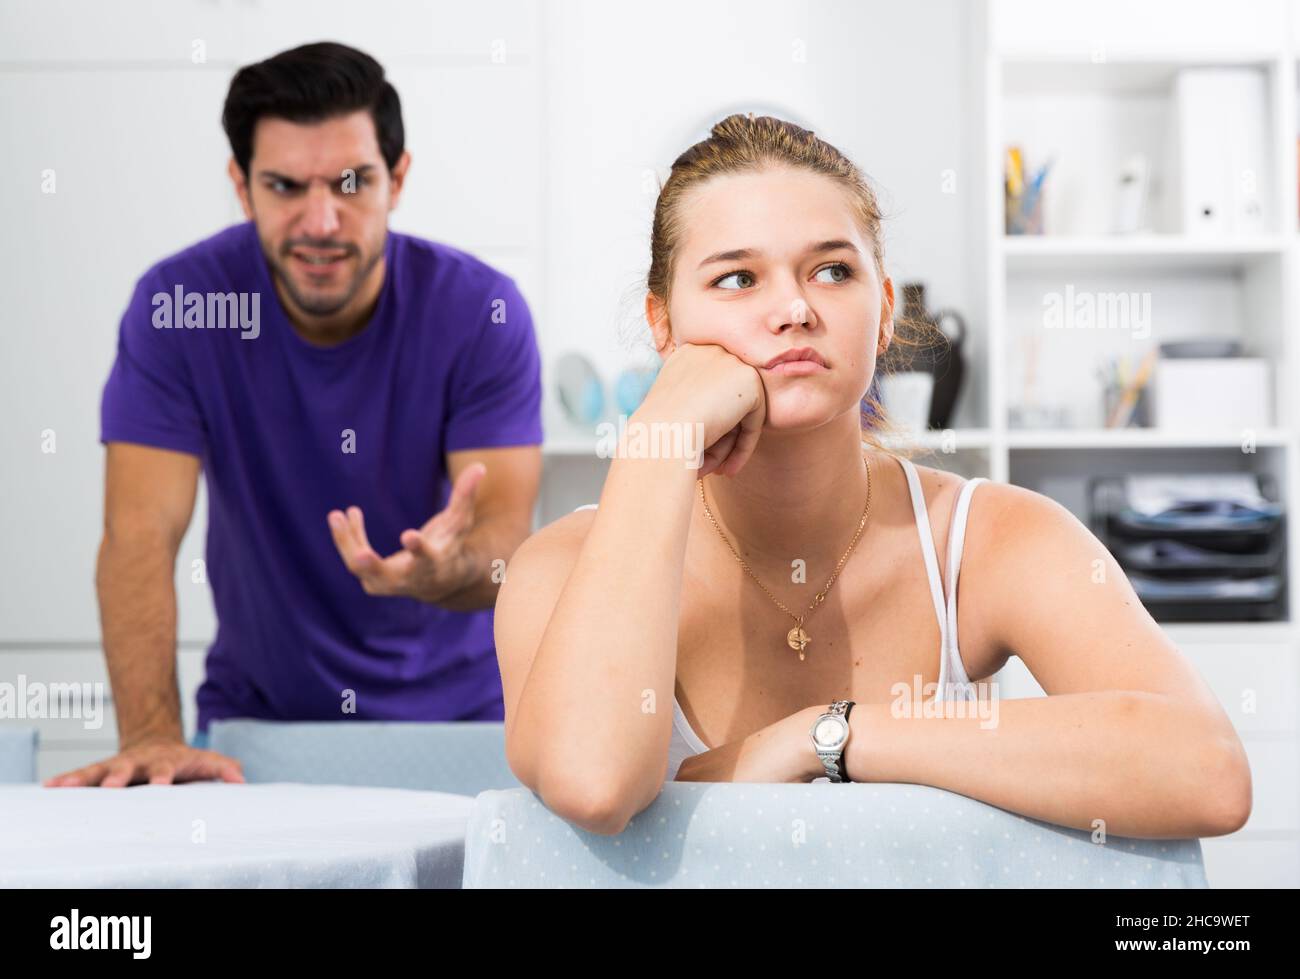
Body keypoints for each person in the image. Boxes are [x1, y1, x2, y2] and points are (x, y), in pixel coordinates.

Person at [492, 113, 1251, 839]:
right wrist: (657, 441)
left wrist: (831, 735)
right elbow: (591, 784)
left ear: (884, 309)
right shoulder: (558, 569)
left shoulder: (989, 538)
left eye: (831, 270)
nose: (792, 307)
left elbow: (1208, 770)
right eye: (735, 280)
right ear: (663, 325)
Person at [45, 42, 543, 788]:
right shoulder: (180, 308)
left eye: (351, 184)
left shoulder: (482, 311)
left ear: (396, 179)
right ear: (242, 187)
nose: (321, 221)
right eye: (284, 186)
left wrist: (449, 569)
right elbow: (139, 536)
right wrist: (153, 736)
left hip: (464, 727)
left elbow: (506, 538)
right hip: (259, 730)